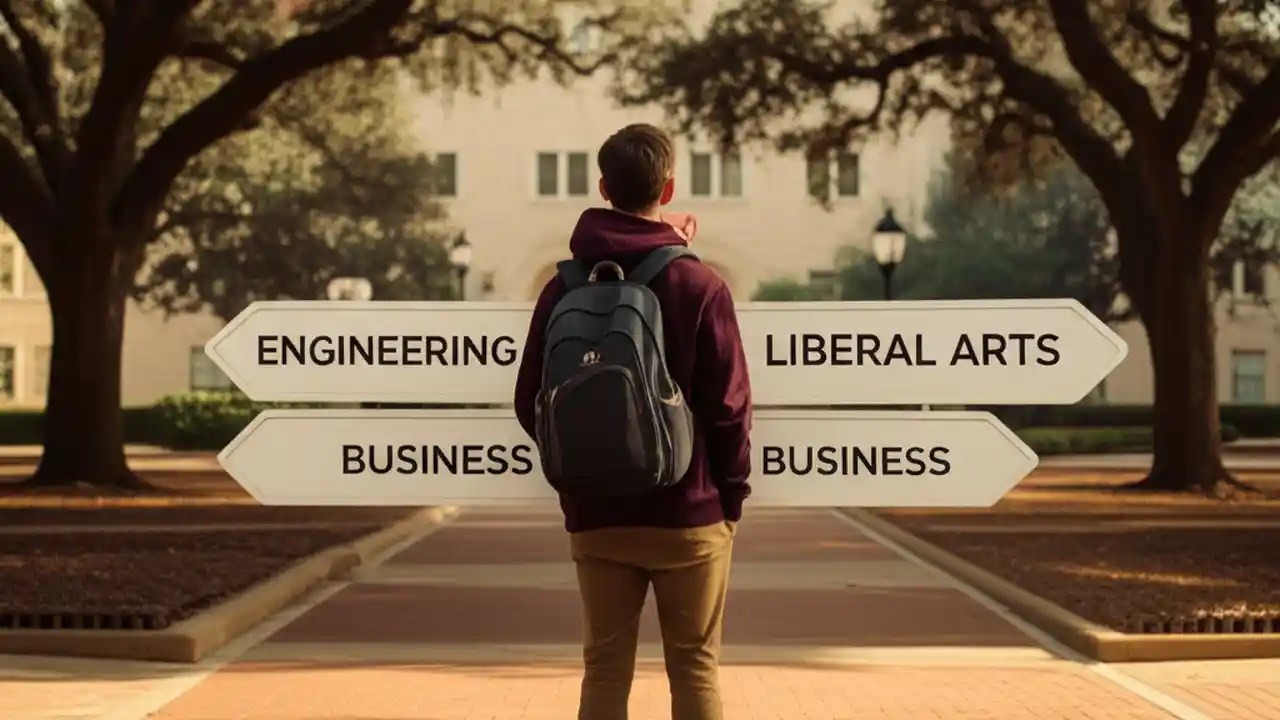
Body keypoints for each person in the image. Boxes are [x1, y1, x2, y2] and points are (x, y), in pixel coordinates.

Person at [514, 123, 752, 720]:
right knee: (695, 669)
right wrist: (729, 498)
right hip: (690, 514)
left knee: (603, 670)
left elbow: (529, 401)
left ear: (603, 187)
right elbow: (729, 407)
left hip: (597, 516)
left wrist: (585, 471)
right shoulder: (700, 284)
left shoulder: (562, 287)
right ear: (667, 190)